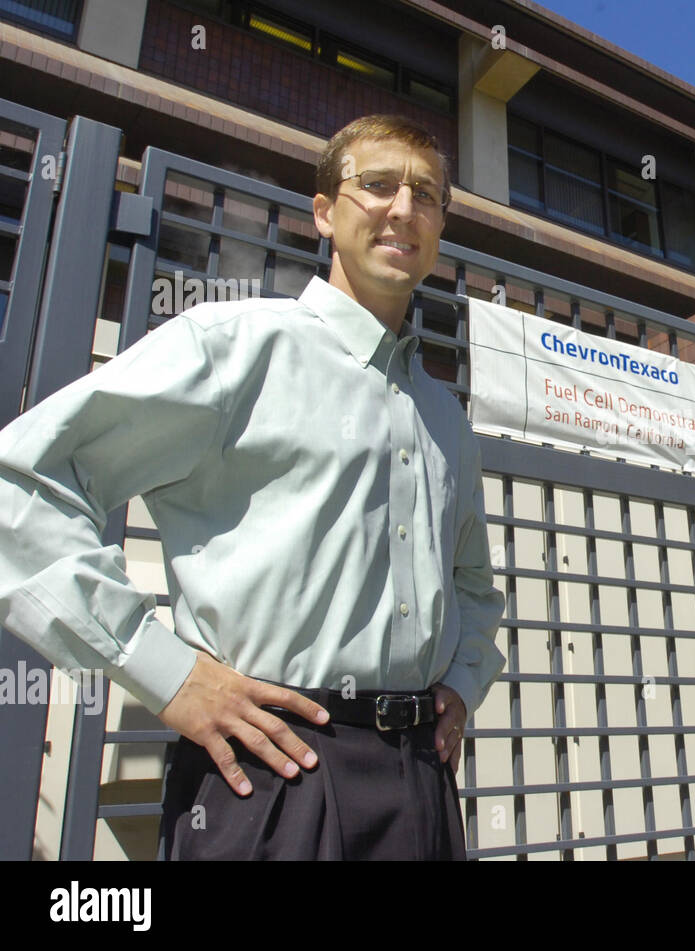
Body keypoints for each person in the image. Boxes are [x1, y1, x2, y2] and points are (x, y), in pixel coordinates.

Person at [0, 114, 505, 860]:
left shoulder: (443, 417)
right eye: (377, 185)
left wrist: (461, 680)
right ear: (325, 212)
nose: (405, 208)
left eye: (426, 194)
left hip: (422, 784)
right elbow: (21, 482)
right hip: (268, 776)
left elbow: (472, 583)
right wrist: (164, 671)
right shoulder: (232, 348)